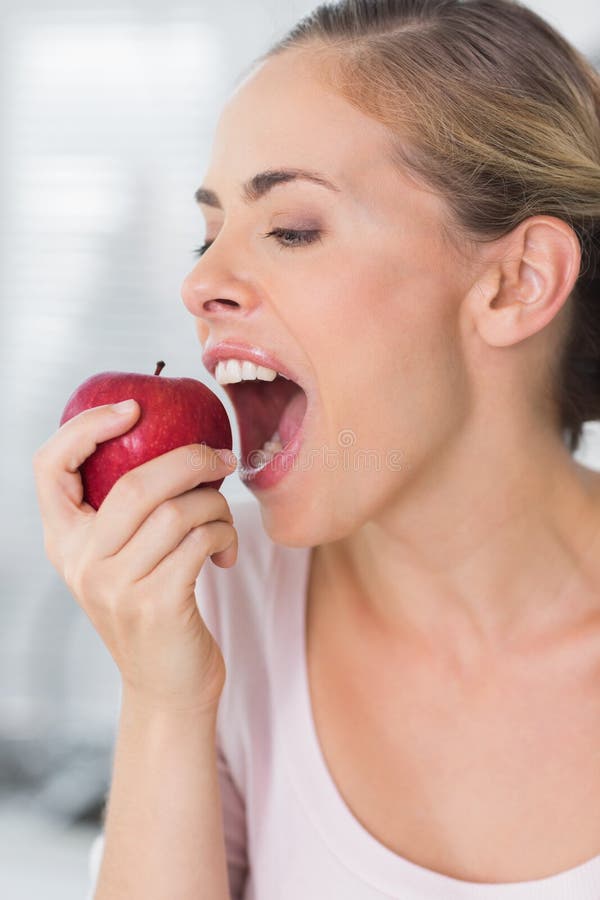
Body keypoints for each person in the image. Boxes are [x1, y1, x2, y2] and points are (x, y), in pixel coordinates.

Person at [33, 0, 600, 897]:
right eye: (208, 233)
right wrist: (165, 697)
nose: (198, 282)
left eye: (291, 229)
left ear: (515, 282)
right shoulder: (216, 610)